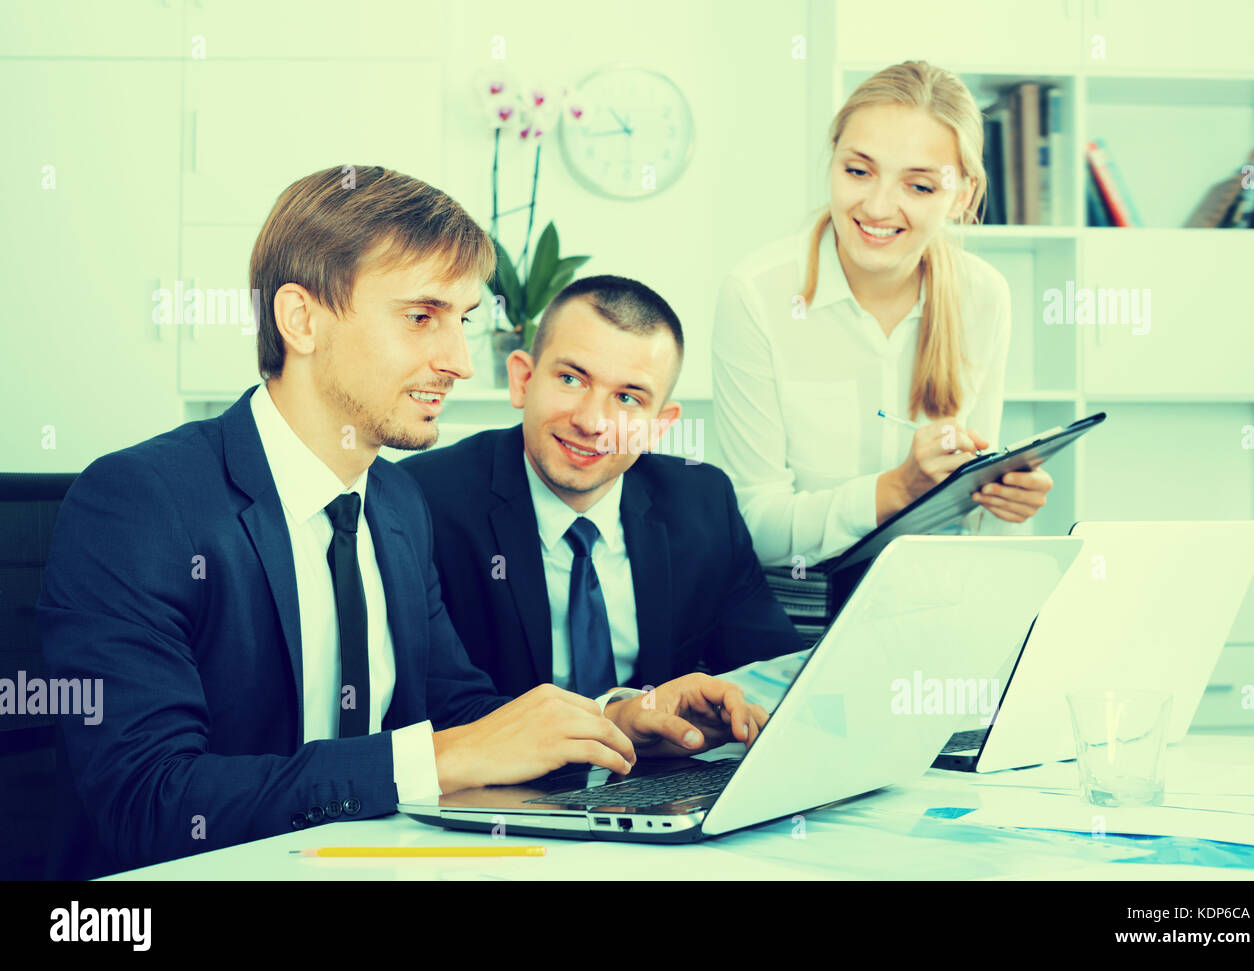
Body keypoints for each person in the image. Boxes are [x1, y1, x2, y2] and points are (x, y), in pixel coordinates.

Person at [36, 167, 759, 879]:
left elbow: (465, 710)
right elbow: (147, 800)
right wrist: (442, 757)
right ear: (301, 319)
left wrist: (616, 723)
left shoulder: (394, 502)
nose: (456, 362)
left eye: (462, 322)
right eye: (421, 317)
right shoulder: (140, 501)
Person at [401, 276, 803, 753]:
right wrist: (613, 718)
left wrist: (733, 714)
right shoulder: (421, 501)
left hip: (655, 791)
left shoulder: (702, 500)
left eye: (628, 398)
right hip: (493, 799)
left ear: (660, 425)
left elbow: (779, 672)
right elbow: (427, 710)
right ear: (522, 380)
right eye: (571, 379)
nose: (592, 422)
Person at [711, 60, 1053, 574]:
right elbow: (754, 528)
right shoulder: (757, 295)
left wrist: (1006, 504)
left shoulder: (984, 296)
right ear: (832, 163)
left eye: (919, 186)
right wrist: (894, 490)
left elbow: (969, 512)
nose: (877, 206)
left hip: (931, 599)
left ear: (962, 197)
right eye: (858, 171)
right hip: (795, 611)